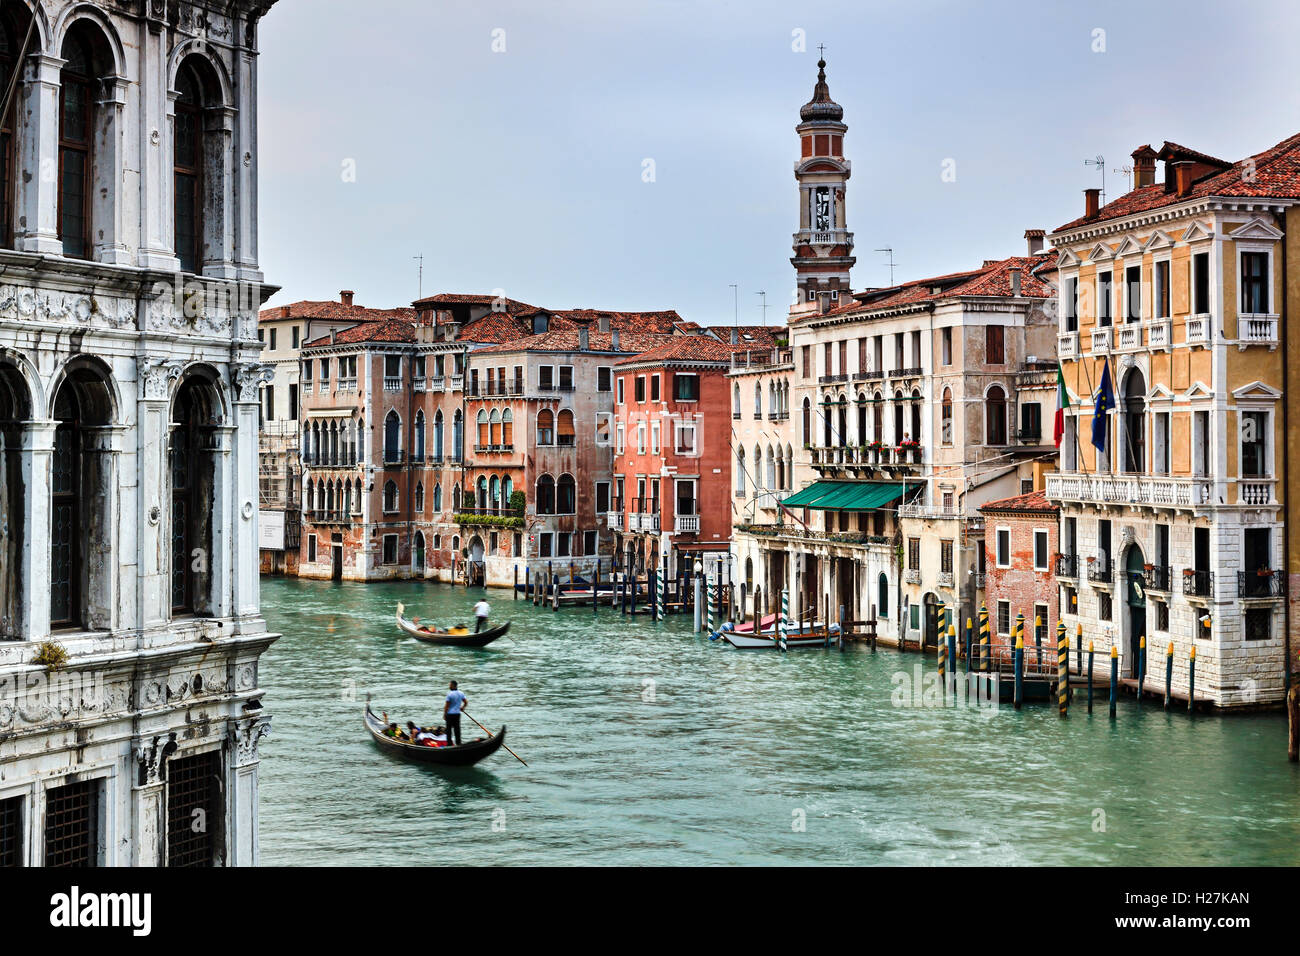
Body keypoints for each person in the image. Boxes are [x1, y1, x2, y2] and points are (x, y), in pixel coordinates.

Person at [443, 680, 467, 746]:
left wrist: (444, 714)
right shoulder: (461, 693)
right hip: (457, 714)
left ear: (453, 685)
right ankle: (458, 743)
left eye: (450, 685)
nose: (449, 686)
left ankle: (449, 744)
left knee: (449, 730)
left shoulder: (449, 694)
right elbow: (466, 702)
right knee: (457, 729)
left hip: (450, 714)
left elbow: (447, 706)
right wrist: (462, 707)